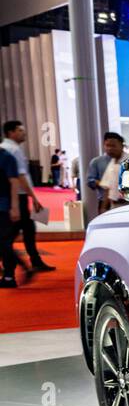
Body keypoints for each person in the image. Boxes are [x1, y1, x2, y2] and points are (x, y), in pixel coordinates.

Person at [0, 121, 54, 274]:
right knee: (10, 234)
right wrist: (34, 197)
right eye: (20, 130)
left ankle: (33, 260)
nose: (24, 133)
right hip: (16, 196)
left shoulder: (9, 149)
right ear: (10, 132)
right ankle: (19, 264)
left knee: (27, 229)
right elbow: (19, 176)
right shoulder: (12, 150)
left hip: (14, 196)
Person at [86, 132, 127, 217]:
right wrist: (104, 206)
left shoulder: (128, 161)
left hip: (127, 205)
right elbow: (93, 181)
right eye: (107, 145)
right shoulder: (99, 161)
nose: (110, 149)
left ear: (121, 146)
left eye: (113, 146)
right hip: (110, 202)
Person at [0, 142, 21, 288]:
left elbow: (14, 182)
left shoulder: (6, 157)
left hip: (3, 206)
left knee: (4, 242)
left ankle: (9, 276)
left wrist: (14, 206)